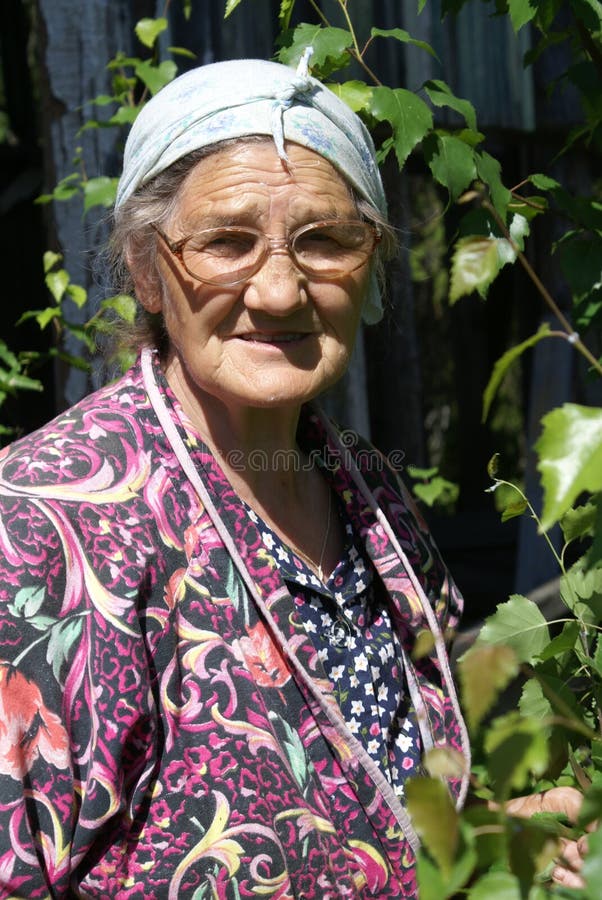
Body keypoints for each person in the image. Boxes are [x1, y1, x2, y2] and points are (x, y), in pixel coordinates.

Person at [0, 56, 584, 898]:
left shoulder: (370, 495)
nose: (277, 290)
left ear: (372, 266)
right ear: (146, 272)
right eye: (226, 242)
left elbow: (369, 808)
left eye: (325, 241)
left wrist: (497, 833)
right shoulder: (46, 529)